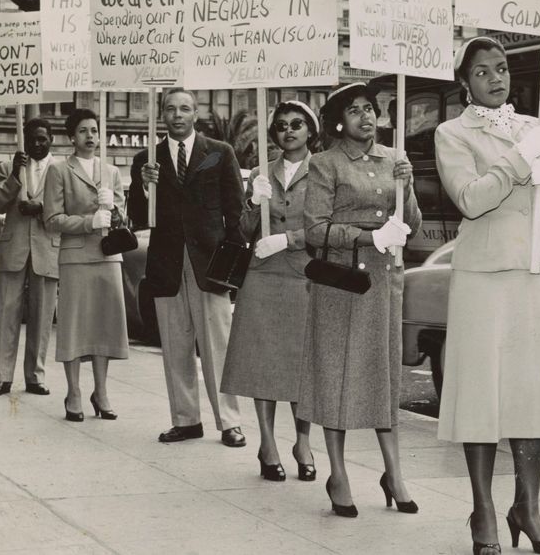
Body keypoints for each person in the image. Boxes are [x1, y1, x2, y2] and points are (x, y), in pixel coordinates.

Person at [434, 37, 540, 555]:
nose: (496, 78)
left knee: (531, 393)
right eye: (483, 71)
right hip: (484, 275)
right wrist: (519, 159)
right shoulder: (452, 133)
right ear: (465, 82)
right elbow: (471, 200)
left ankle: (528, 508)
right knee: (481, 395)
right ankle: (483, 511)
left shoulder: (535, 127)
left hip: (537, 270)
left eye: (502, 68)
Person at [297, 82, 422, 519]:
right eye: (354, 110)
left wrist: (408, 186)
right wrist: (369, 236)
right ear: (338, 122)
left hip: (384, 283)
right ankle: (338, 474)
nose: (366, 116)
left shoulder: (395, 159)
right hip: (342, 286)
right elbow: (315, 229)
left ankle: (394, 474)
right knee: (337, 379)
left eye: (370, 108)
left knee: (384, 379)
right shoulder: (325, 163)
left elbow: (412, 224)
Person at [129, 89, 246, 447]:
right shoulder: (147, 159)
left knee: (217, 347)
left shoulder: (220, 153)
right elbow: (137, 216)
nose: (177, 115)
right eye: (170, 109)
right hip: (166, 265)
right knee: (175, 346)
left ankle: (229, 422)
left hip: (209, 265)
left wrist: (234, 267)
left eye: (184, 109)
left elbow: (236, 213)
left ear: (196, 113)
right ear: (162, 115)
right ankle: (185, 420)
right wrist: (145, 187)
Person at [221, 101, 318, 482]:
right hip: (262, 276)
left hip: (303, 275)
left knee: (300, 366)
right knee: (263, 365)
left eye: (297, 124)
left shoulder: (323, 170)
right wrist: (251, 202)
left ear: (310, 130)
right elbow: (242, 230)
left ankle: (303, 442)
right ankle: (267, 443)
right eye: (280, 125)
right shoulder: (262, 173)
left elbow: (325, 227)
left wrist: (288, 240)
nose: (288, 130)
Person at [43, 109, 128, 422]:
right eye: (82, 131)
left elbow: (123, 220)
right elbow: (52, 220)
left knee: (105, 325)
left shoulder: (111, 171)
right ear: (71, 137)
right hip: (76, 256)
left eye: (94, 130)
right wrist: (88, 221)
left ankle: (101, 391)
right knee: (75, 326)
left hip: (108, 257)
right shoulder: (58, 170)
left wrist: (114, 208)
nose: (90, 136)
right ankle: (74, 391)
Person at [0, 117, 59, 397]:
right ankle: (2, 377)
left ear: (51, 139)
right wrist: (16, 176)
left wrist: (41, 207)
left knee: (42, 316)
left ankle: (35, 376)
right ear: (24, 140)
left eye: (42, 139)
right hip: (14, 248)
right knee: (6, 313)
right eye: (32, 139)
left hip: (46, 248)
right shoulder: (8, 167)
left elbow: (68, 205)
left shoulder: (61, 169)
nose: (37, 144)